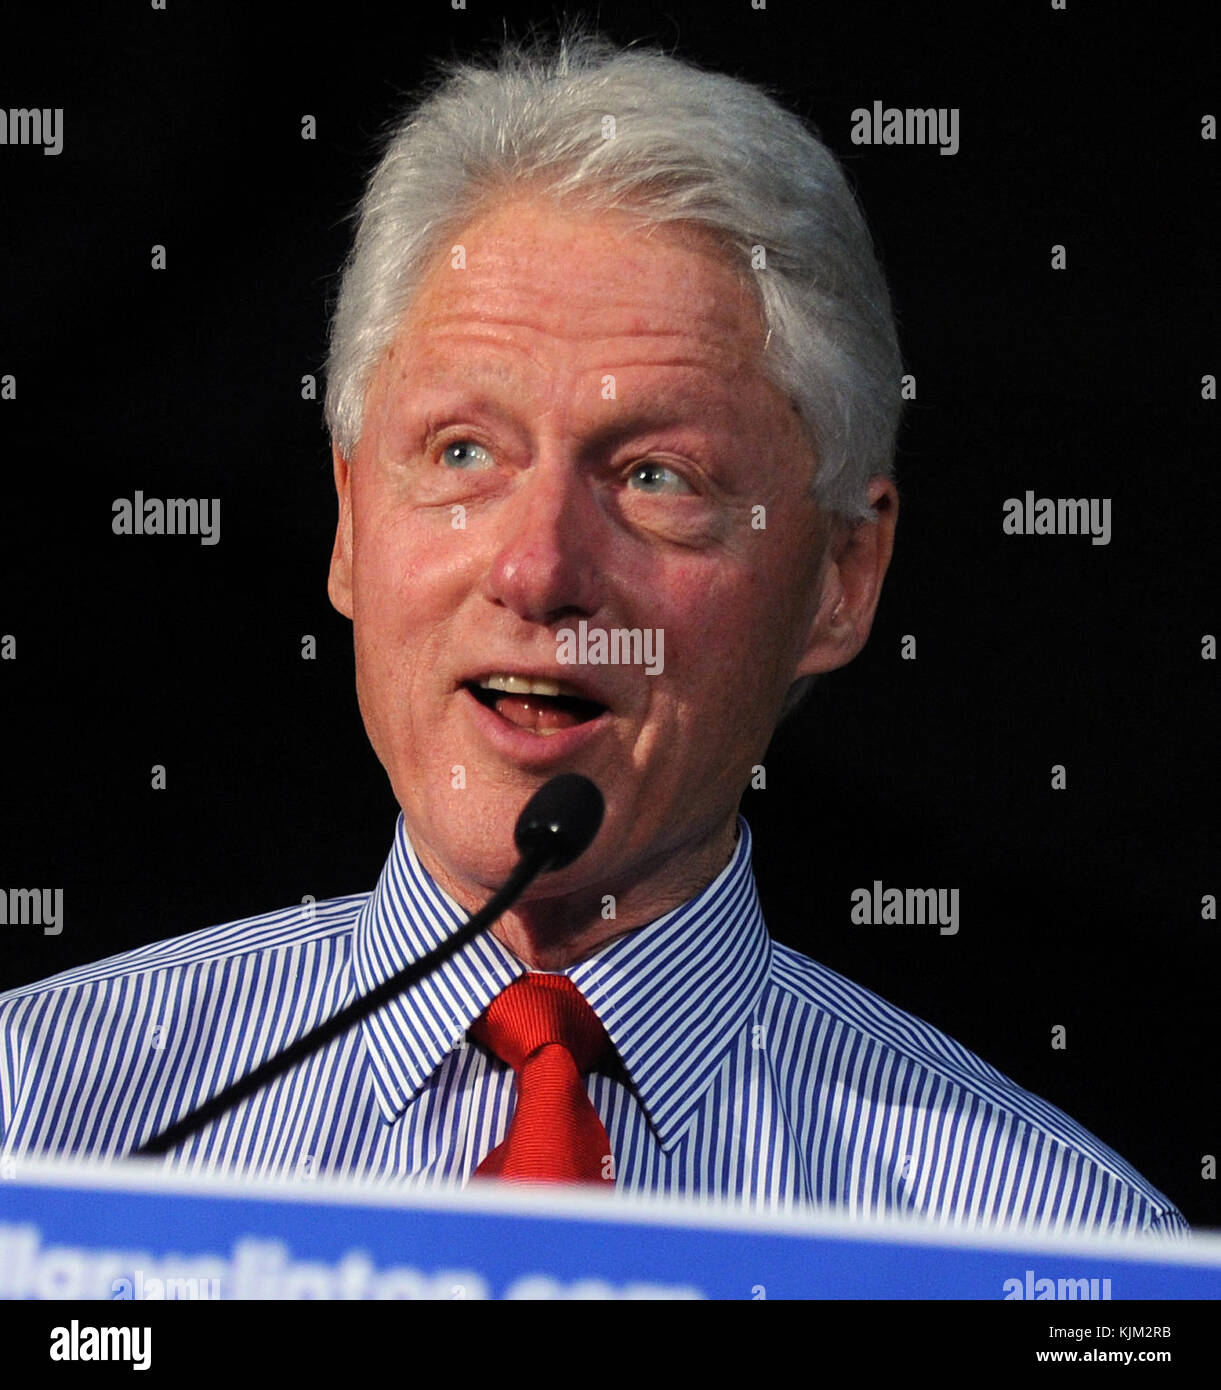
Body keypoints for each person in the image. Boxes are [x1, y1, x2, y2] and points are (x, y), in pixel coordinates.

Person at [0, 32, 1187, 1236]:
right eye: (464, 452)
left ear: (842, 573)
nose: (537, 569)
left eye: (658, 476)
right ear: (352, 523)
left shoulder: (1049, 1249)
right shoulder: (40, 1124)